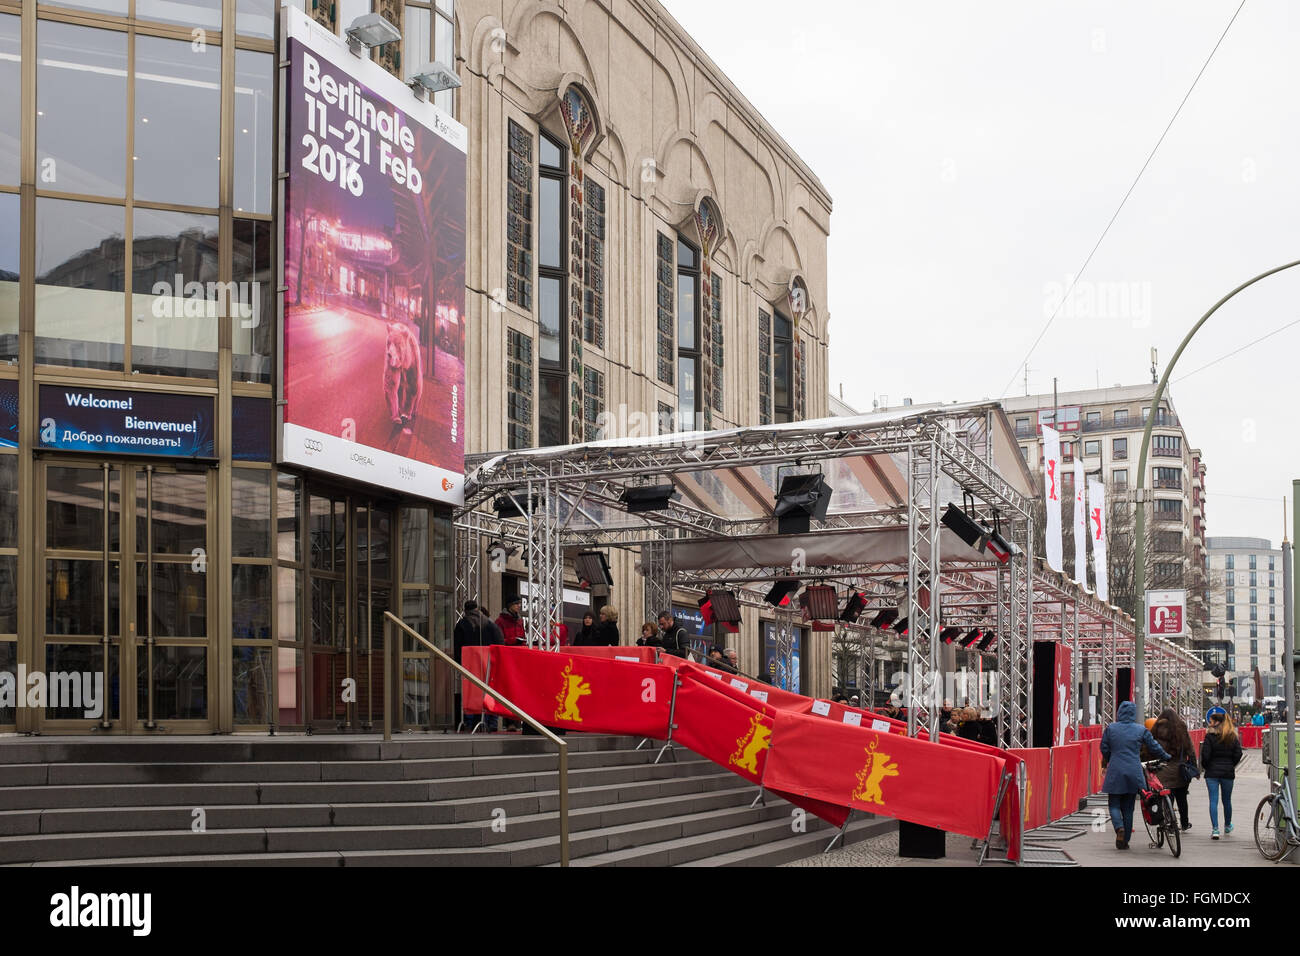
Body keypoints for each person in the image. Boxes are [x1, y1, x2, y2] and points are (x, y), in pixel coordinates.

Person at [1100, 701, 1170, 850]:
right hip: (1134, 770)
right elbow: (1154, 746)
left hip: (1115, 770)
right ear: (1133, 714)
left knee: (1113, 804)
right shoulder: (1140, 729)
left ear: (1119, 712)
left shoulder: (1111, 728)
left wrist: (1109, 758)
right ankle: (1125, 841)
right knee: (1128, 807)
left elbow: (1104, 747)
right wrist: (1165, 756)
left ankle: (1119, 828)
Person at [452, 601, 503, 732]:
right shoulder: (489, 623)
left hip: (469, 665)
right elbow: (499, 641)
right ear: (477, 609)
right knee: (489, 691)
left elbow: (458, 647)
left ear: (465, 610)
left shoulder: (462, 624)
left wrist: (459, 663)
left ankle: (469, 722)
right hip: (488, 663)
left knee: (470, 691)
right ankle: (490, 722)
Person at [1151, 707, 1197, 831]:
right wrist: (1194, 767)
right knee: (1182, 798)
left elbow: (1150, 748)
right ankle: (1184, 823)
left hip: (1162, 770)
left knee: (1166, 798)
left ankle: (1169, 823)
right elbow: (1190, 749)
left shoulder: (1156, 730)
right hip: (1180, 770)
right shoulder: (1180, 729)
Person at [1201, 706, 1243, 839]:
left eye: (1211, 721)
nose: (1210, 724)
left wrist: (1207, 767)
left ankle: (1215, 829)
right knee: (1227, 801)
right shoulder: (1232, 736)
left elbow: (1205, 756)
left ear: (1217, 723)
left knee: (1213, 801)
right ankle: (1227, 825)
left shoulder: (1209, 736)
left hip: (1212, 773)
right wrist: (1231, 765)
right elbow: (1238, 753)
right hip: (1227, 773)